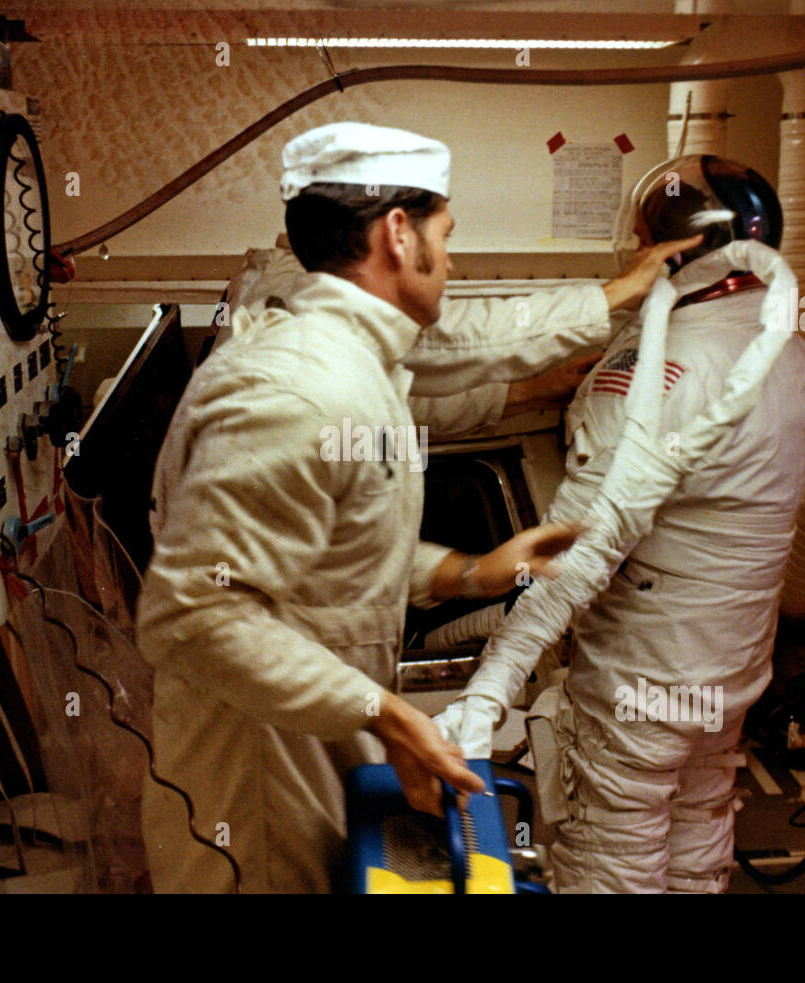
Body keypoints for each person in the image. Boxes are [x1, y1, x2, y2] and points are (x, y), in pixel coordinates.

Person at [135, 122, 699, 893]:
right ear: (399, 234)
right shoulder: (295, 391)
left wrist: (468, 572)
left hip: (306, 735)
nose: (454, 259)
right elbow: (192, 614)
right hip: (255, 783)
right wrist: (385, 712)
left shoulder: (355, 361)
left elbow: (332, 554)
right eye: (447, 234)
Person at [436, 154, 805, 893]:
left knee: (612, 867)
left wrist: (489, 688)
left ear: (671, 249)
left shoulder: (664, 370)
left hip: (640, 683)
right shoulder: (793, 355)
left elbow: (577, 555)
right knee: (698, 845)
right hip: (727, 672)